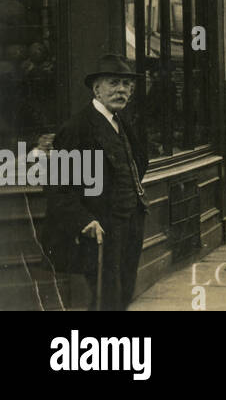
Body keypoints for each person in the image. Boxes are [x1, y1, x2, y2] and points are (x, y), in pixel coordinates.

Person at [41, 55, 149, 310]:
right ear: (96, 89)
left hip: (131, 221)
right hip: (100, 228)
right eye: (113, 83)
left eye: (126, 85)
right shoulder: (77, 128)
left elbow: (136, 163)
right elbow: (57, 186)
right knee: (104, 298)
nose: (121, 90)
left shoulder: (121, 122)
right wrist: (83, 220)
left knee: (123, 291)